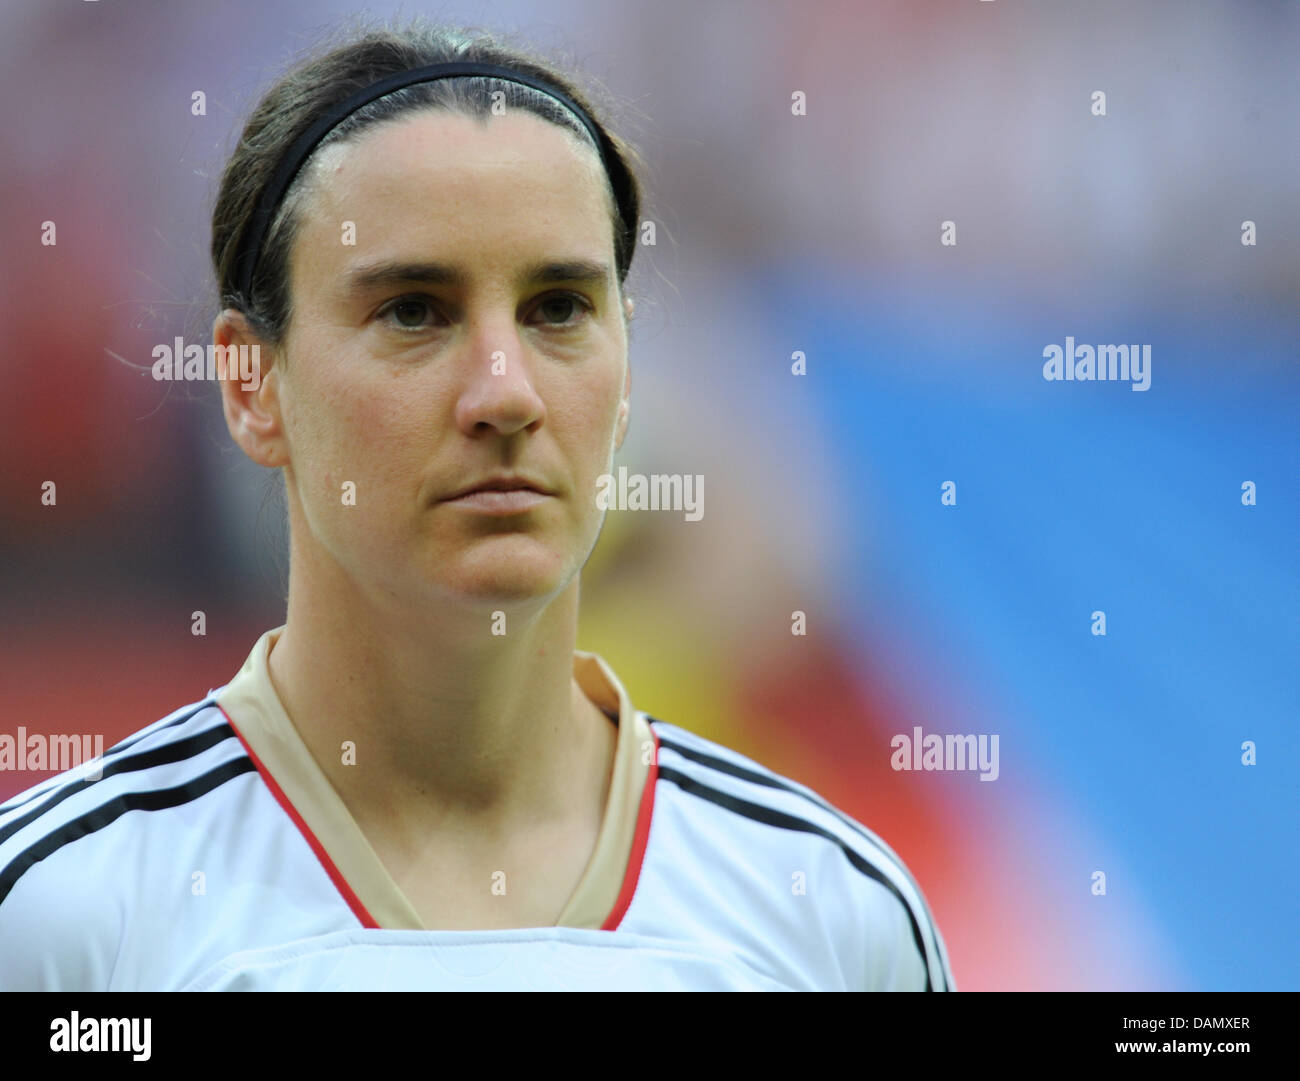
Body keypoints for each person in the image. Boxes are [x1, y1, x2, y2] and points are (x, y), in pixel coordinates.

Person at [0, 19, 953, 991]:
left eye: (559, 310)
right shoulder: (60, 914)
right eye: (412, 310)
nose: (505, 391)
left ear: (627, 383)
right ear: (252, 387)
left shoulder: (832, 912)